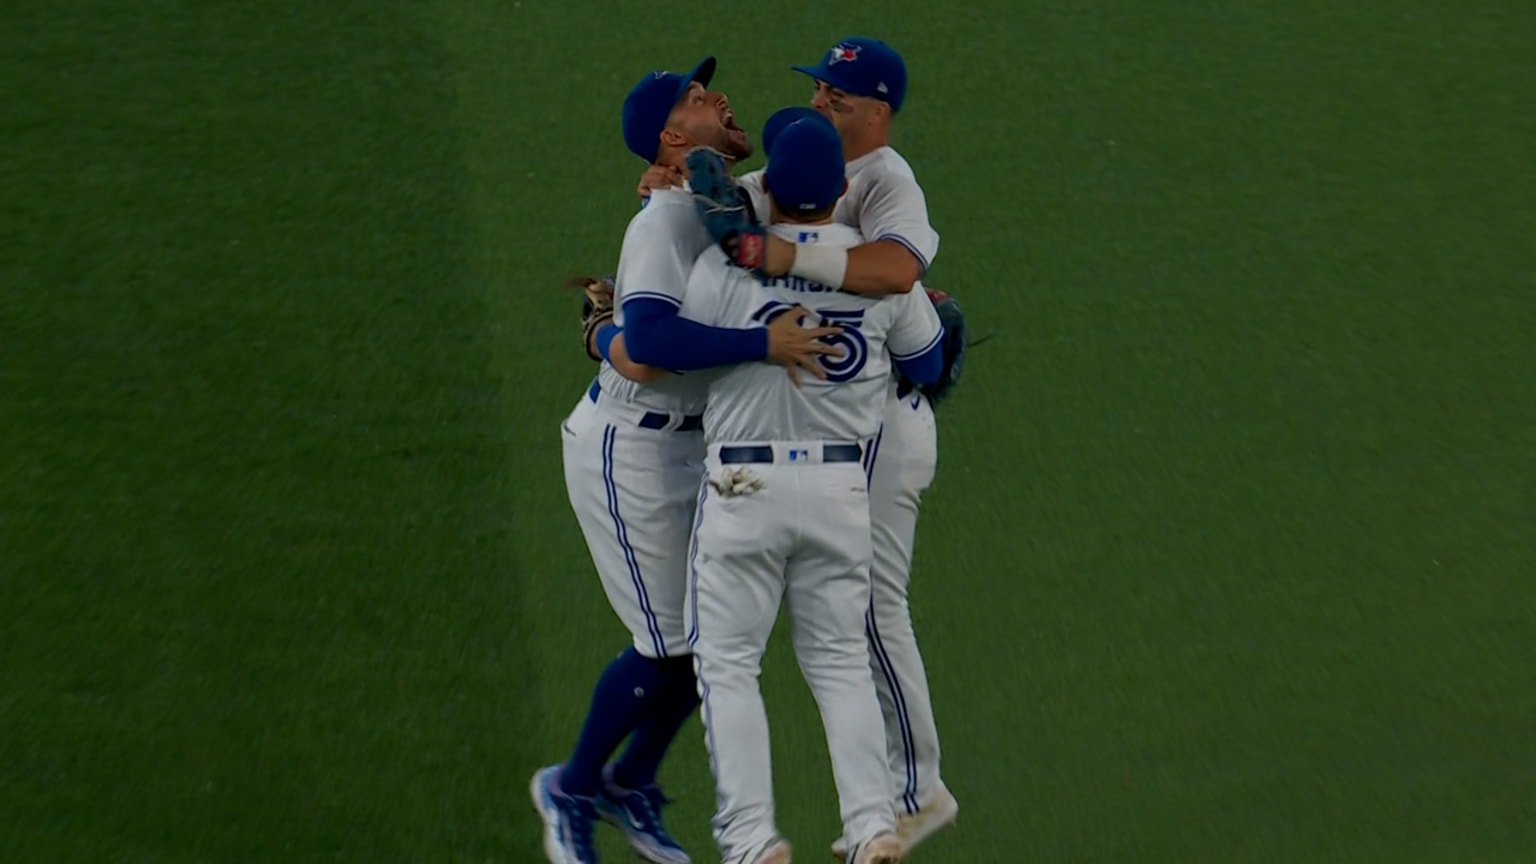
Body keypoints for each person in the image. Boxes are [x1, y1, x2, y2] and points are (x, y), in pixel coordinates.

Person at [531, 58, 839, 864]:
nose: (721, 99)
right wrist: (763, 344)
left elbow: (809, 170)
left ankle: (628, 782)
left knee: (706, 643)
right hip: (631, 452)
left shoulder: (727, 200)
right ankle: (571, 786)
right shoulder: (663, 224)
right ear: (672, 137)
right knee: (669, 645)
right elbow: (656, 344)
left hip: (694, 447)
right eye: (700, 100)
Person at [685, 38, 964, 860]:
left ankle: (908, 796)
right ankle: (878, 815)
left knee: (853, 620)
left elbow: (897, 267)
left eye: (834, 94)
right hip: (848, 442)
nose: (819, 100)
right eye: (816, 90)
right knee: (843, 644)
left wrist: (768, 256)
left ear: (876, 110)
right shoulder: (822, 193)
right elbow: (925, 348)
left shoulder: (888, 183)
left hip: (864, 436)